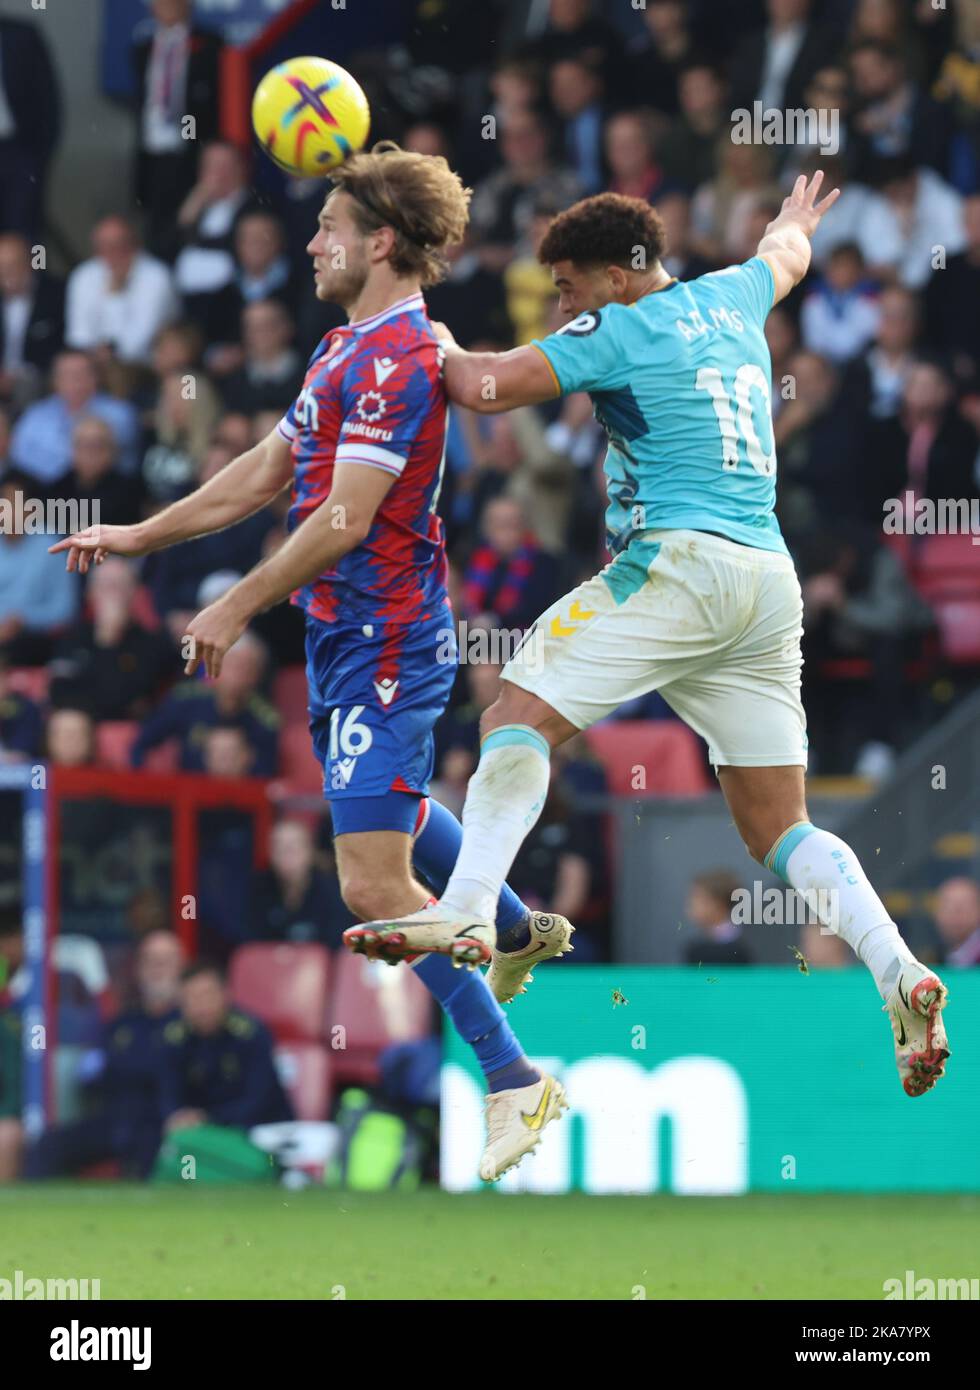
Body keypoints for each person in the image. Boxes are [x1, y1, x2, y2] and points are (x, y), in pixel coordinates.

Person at [363, 175, 952, 1101]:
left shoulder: (620, 329)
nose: (561, 306)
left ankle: (470, 913)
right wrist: (791, 225)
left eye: (566, 288)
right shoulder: (733, 292)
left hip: (677, 565)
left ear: (616, 275)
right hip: (765, 582)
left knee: (516, 708)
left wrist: (421, 334)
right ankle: (896, 970)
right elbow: (784, 259)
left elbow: (479, 386)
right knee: (776, 823)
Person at [51, 143, 574, 1182]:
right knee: (386, 809)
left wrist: (237, 602)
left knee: (366, 878)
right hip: (345, 642)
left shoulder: (397, 359)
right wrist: (143, 535)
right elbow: (264, 473)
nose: (311, 242)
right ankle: (512, 926)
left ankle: (513, 1075)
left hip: (387, 636)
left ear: (380, 242)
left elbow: (343, 515)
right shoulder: (342, 351)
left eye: (329, 227)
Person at [24, 931, 183, 1180]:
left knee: (147, 1150)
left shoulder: (190, 1024)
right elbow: (97, 1075)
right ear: (138, 969)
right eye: (150, 961)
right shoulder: (121, 1023)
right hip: (116, 1118)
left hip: (162, 1122)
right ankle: (35, 1214)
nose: (157, 969)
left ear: (181, 969)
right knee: (48, 1145)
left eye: (165, 962)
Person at [158, 961, 292, 1135]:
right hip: (201, 1134)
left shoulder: (251, 1034)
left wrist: (207, 1119)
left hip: (259, 1131)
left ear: (226, 994)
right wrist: (175, 1116)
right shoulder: (174, 1039)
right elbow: (167, 1094)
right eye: (191, 998)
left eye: (207, 995)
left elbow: (259, 1101)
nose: (201, 1005)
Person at [683, 869, 755, 965]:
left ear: (718, 904)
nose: (691, 906)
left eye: (698, 899)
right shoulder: (695, 948)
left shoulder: (743, 948)